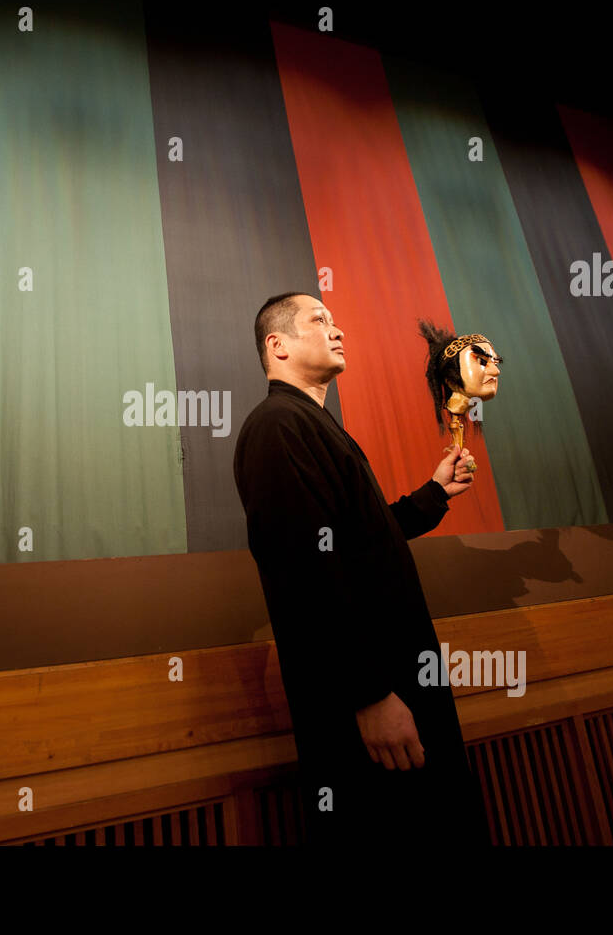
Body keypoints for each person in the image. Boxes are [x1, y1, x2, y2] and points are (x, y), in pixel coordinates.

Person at [233, 291, 490, 847]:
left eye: (335, 319)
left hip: (395, 684)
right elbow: (303, 574)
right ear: (276, 345)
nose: (337, 329)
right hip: (370, 701)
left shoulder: (313, 425)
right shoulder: (277, 426)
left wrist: (432, 494)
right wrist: (370, 695)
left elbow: (359, 542)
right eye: (318, 320)